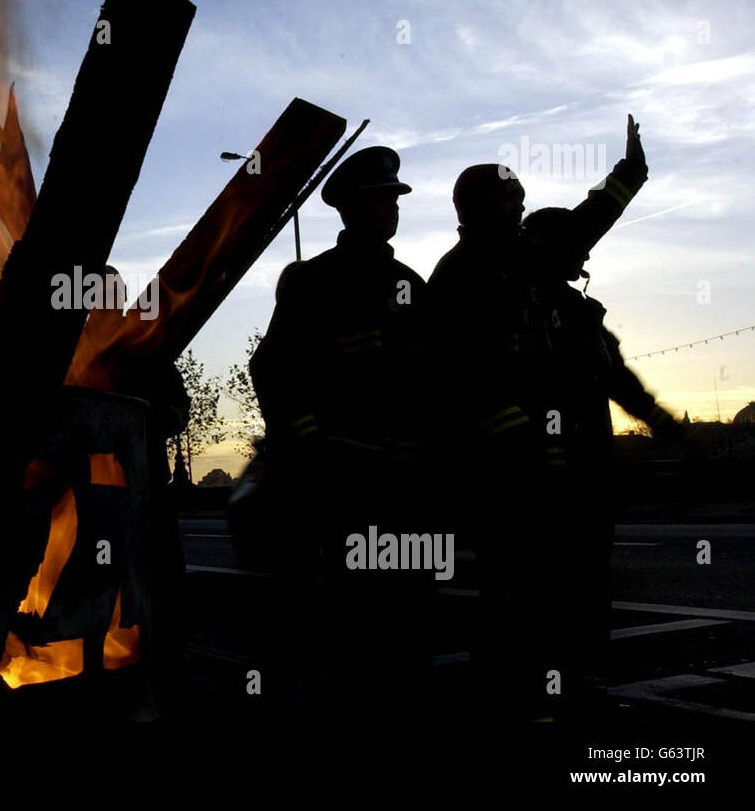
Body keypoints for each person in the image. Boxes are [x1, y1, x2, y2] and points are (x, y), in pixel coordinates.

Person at [427, 114, 650, 720]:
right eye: (509, 199)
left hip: (554, 466)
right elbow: (460, 380)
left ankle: (568, 685)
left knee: (569, 586)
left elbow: (586, 221)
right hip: (501, 473)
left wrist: (630, 172)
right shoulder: (458, 278)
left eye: (522, 198)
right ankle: (512, 701)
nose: (520, 209)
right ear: (471, 209)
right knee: (517, 591)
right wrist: (515, 446)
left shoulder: (527, 258)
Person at [249, 145, 431, 714]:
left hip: (403, 482)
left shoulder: (409, 284)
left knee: (404, 616)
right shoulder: (311, 280)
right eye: (378, 199)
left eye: (394, 199)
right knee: (343, 618)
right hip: (341, 482)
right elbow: (273, 367)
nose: (390, 208)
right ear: (349, 209)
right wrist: (308, 440)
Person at [521, 206, 681, 711]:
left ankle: (588, 690)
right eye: (575, 245)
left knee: (588, 584)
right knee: (540, 593)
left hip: (589, 473)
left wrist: (663, 423)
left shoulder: (576, 311)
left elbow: (616, 376)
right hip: (537, 479)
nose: (586, 254)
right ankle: (537, 702)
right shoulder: (516, 305)